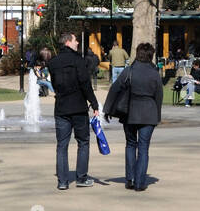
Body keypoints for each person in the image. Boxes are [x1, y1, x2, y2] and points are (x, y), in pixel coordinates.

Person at [104, 42, 164, 192]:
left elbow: (115, 89)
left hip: (130, 112)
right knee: (143, 148)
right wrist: (157, 116)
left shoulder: (129, 71)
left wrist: (107, 110)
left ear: (137, 54)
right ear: (151, 56)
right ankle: (140, 182)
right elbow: (159, 97)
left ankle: (130, 178)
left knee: (131, 144)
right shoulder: (155, 74)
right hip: (149, 113)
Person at [48, 31, 99, 190]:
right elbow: (85, 84)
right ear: (68, 42)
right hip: (78, 107)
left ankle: (62, 181)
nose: (78, 43)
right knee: (83, 142)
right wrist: (94, 103)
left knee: (62, 145)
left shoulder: (53, 62)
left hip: (62, 106)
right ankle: (81, 177)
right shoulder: (79, 61)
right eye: (76, 40)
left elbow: (56, 84)